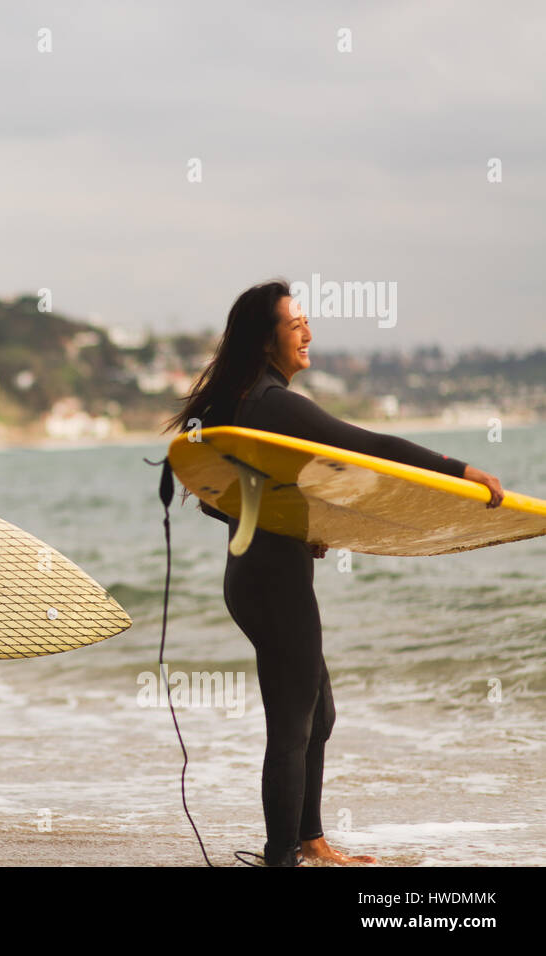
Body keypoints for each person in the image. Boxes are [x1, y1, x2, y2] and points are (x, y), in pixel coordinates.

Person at [167, 280, 503, 866]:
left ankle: (309, 840)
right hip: (271, 584)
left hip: (260, 576)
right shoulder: (272, 402)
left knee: (316, 713)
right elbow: (366, 445)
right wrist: (458, 469)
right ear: (266, 338)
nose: (308, 333)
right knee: (294, 723)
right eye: (295, 324)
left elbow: (223, 497)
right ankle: (282, 856)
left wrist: (292, 525)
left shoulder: (249, 400)